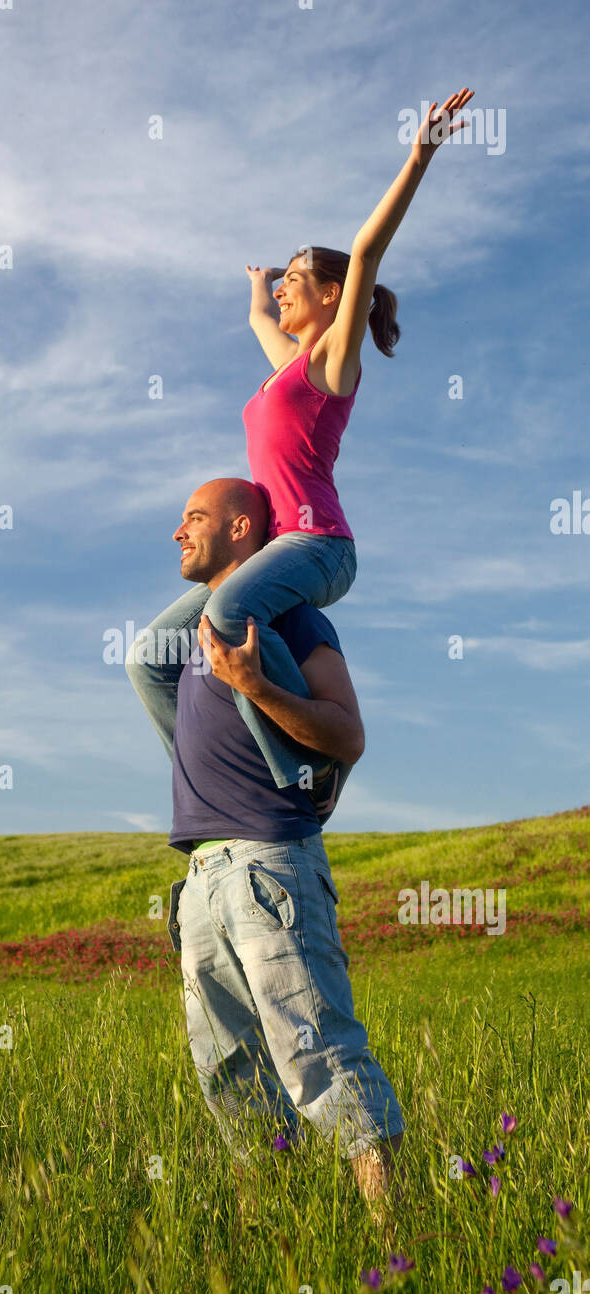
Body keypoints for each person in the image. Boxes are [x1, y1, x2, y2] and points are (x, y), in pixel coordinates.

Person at [127, 88, 474, 801]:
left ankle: (302, 771)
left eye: (294, 282)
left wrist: (419, 158)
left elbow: (369, 250)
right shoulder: (283, 367)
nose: (282, 293)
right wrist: (258, 284)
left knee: (226, 617)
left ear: (332, 295)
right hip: (275, 549)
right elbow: (260, 315)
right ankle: (205, 779)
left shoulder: (330, 365)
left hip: (319, 546)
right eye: (280, 282)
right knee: (148, 657)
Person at [129, 476, 405, 1219]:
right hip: (203, 875)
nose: (178, 532)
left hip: (269, 862)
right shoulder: (189, 640)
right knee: (230, 1075)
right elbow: (147, 664)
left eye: (194, 518)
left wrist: (256, 684)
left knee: (319, 1053)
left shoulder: (291, 620)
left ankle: (396, 1239)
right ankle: (279, 1237)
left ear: (243, 527)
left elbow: (347, 734)